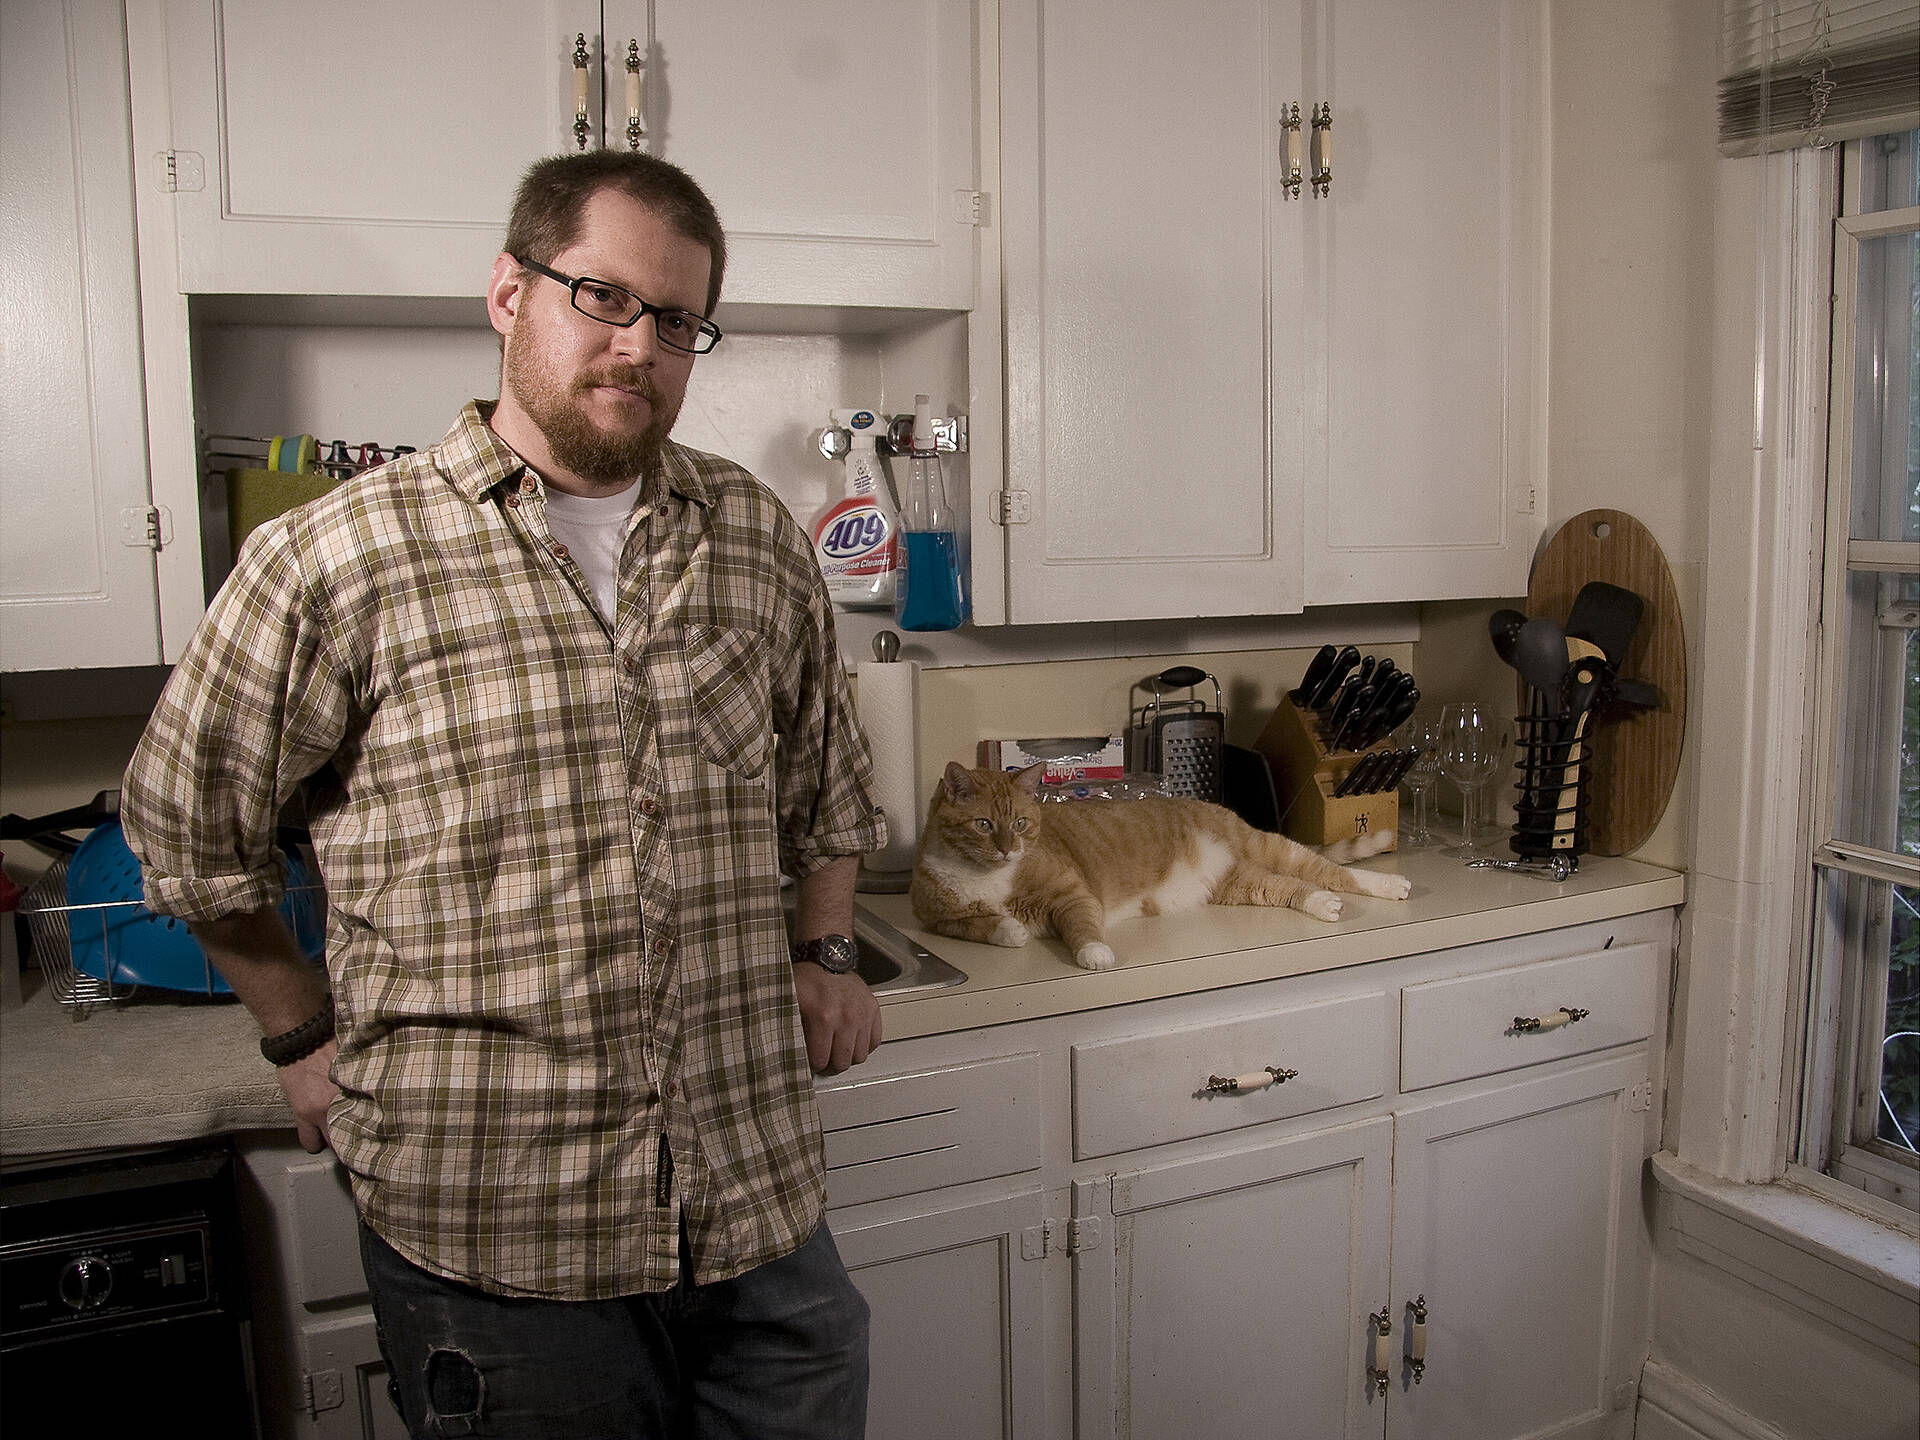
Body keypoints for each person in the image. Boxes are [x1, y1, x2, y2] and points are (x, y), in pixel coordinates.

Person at [121, 150, 887, 1439]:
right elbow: (185, 831)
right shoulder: (335, 558)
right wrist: (298, 1031)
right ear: (507, 293)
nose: (639, 345)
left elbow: (827, 784)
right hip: (498, 1238)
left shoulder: (754, 535)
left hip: (756, 1207)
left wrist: (827, 949)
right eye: (603, 296)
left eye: (678, 321)